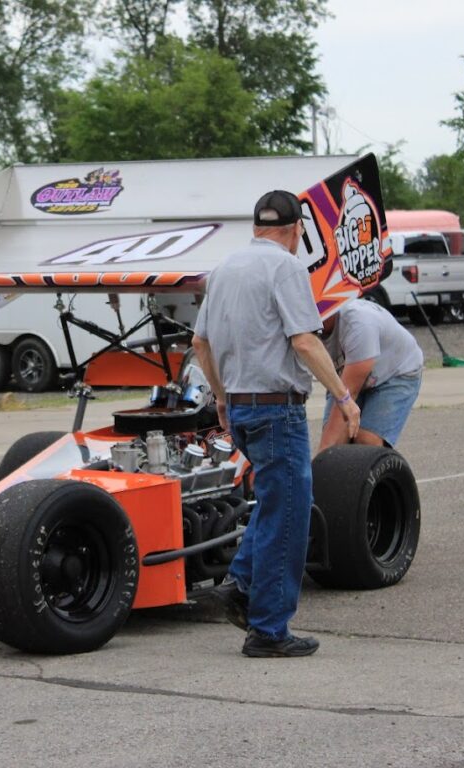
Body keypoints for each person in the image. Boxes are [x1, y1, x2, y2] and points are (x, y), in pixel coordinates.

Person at [191, 189, 361, 659]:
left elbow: (200, 343)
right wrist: (344, 397)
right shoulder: (287, 268)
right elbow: (304, 341)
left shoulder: (224, 270)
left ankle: (242, 584)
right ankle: (268, 630)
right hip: (276, 409)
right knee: (290, 515)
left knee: (273, 504)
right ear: (296, 230)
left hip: (240, 407)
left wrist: (221, 397)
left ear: (256, 228)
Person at [317, 298, 424, 452]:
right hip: (348, 376)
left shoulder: (359, 324)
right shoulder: (304, 332)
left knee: (366, 442)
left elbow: (349, 393)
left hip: (396, 372)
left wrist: (323, 455)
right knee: (338, 444)